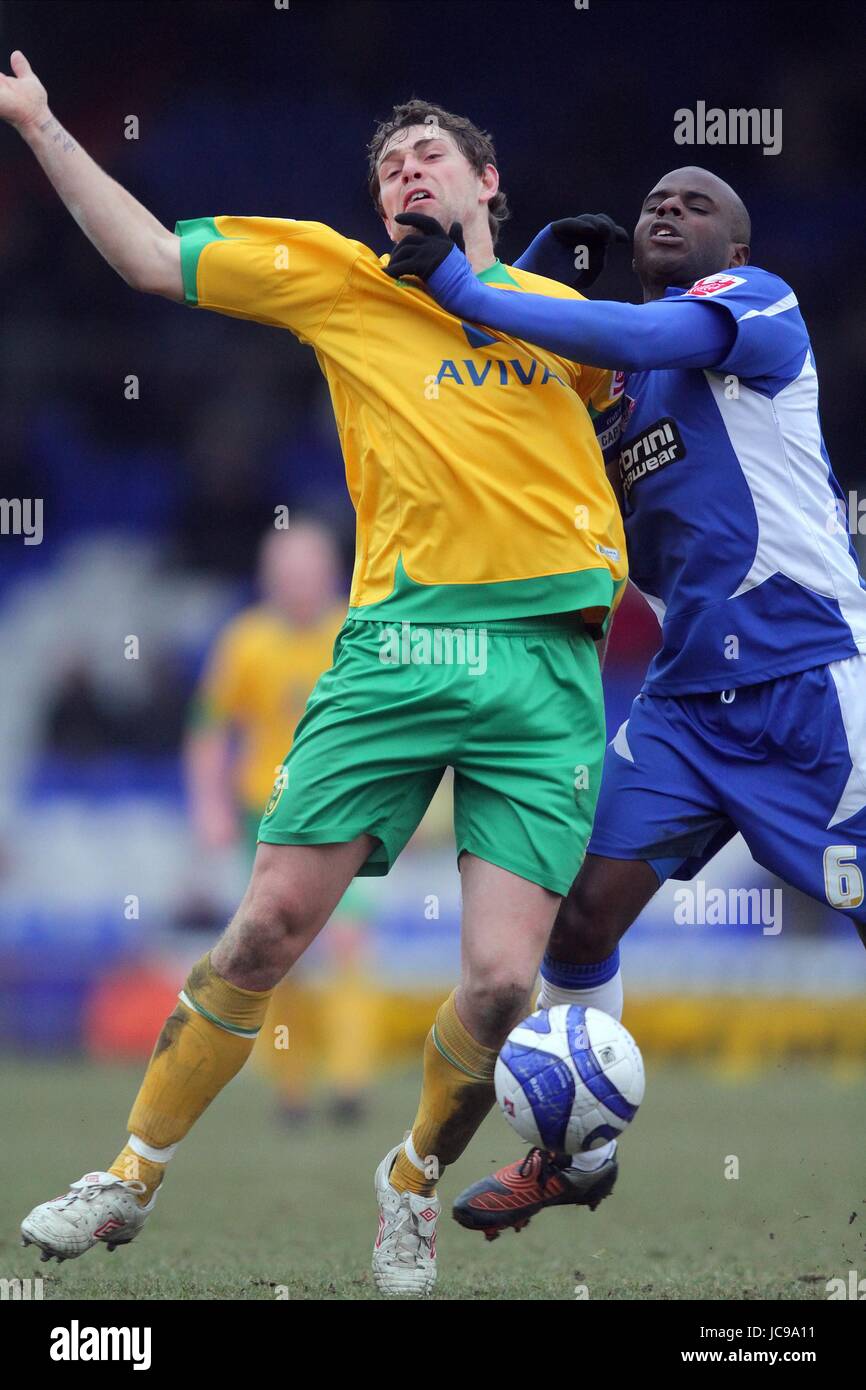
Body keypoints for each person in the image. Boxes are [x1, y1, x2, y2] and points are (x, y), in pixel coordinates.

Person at [4, 53, 626, 1297]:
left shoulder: (567, 317)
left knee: (504, 979)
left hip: (546, 660)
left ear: (487, 183)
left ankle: (407, 1184)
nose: (404, 169)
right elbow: (143, 259)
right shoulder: (337, 278)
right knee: (267, 925)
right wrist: (39, 124)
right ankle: (129, 1174)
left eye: (428, 156)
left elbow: (656, 416)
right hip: (397, 648)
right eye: (387, 163)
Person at [390, 168, 866, 1237]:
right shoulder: (616, 392)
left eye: (695, 203)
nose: (664, 207)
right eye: (653, 198)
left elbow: (639, 336)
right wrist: (527, 279)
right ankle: (576, 1151)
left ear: (735, 247)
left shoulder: (756, 308)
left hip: (807, 686)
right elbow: (520, 409)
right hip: (684, 711)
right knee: (576, 915)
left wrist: (469, 284)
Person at [185, 521, 375, 1124]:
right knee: (274, 952)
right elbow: (209, 728)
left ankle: (349, 1083)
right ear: (269, 578)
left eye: (309, 571)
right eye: (286, 572)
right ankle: (291, 1091)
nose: (297, 584)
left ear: (331, 574)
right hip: (263, 819)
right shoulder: (245, 642)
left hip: (343, 809)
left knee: (346, 944)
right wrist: (208, 805)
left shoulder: (358, 632)